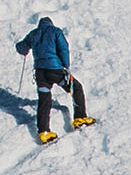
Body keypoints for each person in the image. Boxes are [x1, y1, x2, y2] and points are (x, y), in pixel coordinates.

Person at [15, 10, 93, 141]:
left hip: (40, 73)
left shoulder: (33, 34)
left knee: (44, 100)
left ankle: (44, 131)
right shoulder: (56, 31)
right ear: (50, 24)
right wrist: (66, 66)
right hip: (55, 70)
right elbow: (63, 48)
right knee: (76, 88)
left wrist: (25, 50)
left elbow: (21, 47)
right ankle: (80, 118)